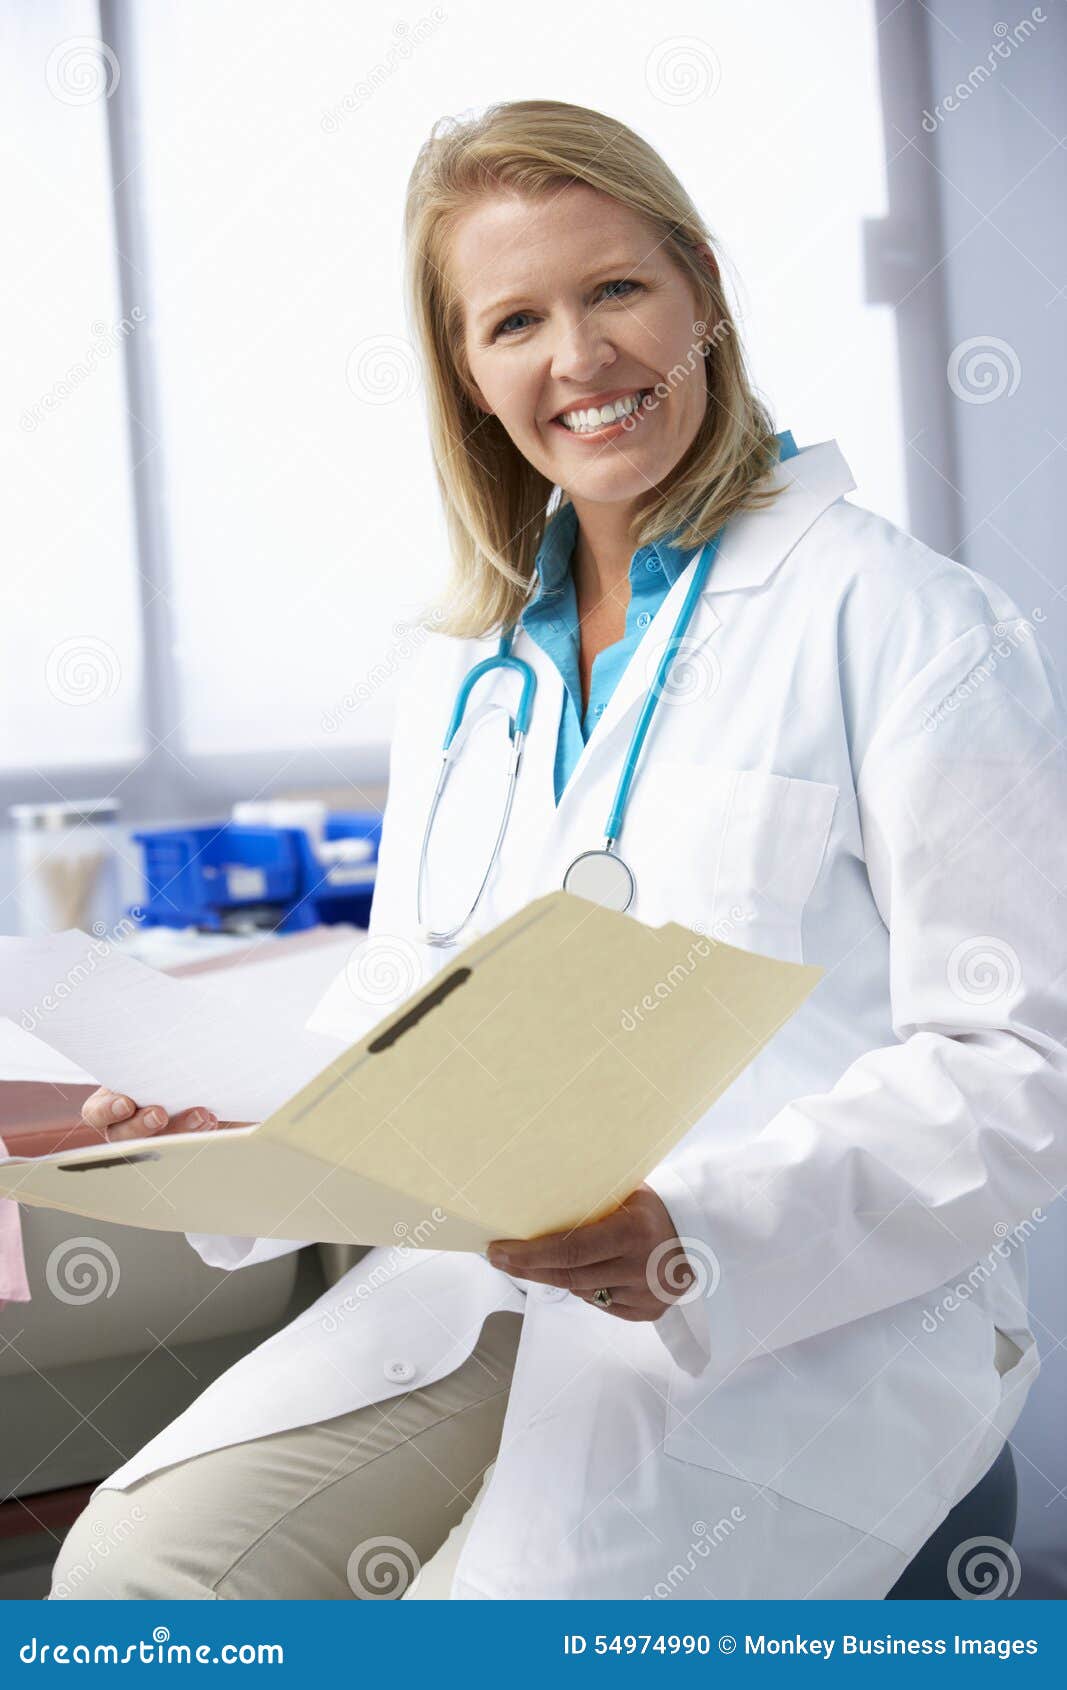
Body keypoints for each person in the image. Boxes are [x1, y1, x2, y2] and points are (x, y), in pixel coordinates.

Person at [51, 99, 1067, 1602]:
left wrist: (698, 1229)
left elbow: (1019, 1063)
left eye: (617, 290)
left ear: (701, 293)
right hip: (488, 1282)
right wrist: (224, 1126)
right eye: (514, 320)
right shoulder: (468, 670)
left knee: (496, 1625)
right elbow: (408, 1000)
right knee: (135, 1574)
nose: (579, 358)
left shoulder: (906, 621)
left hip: (799, 1306)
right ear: (467, 371)